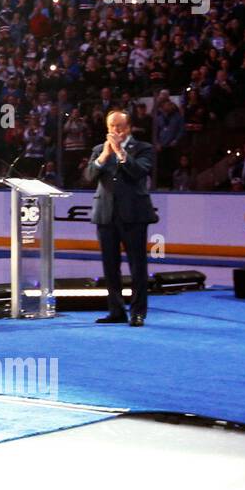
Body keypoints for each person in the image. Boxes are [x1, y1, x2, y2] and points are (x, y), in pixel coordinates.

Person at [83, 109, 156, 327]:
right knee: (110, 266)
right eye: (112, 127)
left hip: (134, 214)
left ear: (129, 127)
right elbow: (88, 176)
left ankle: (138, 312)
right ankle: (116, 310)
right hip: (106, 214)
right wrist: (105, 155)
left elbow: (138, 172)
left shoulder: (144, 149)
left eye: (120, 126)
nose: (116, 130)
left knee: (137, 266)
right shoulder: (98, 150)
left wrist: (121, 153)